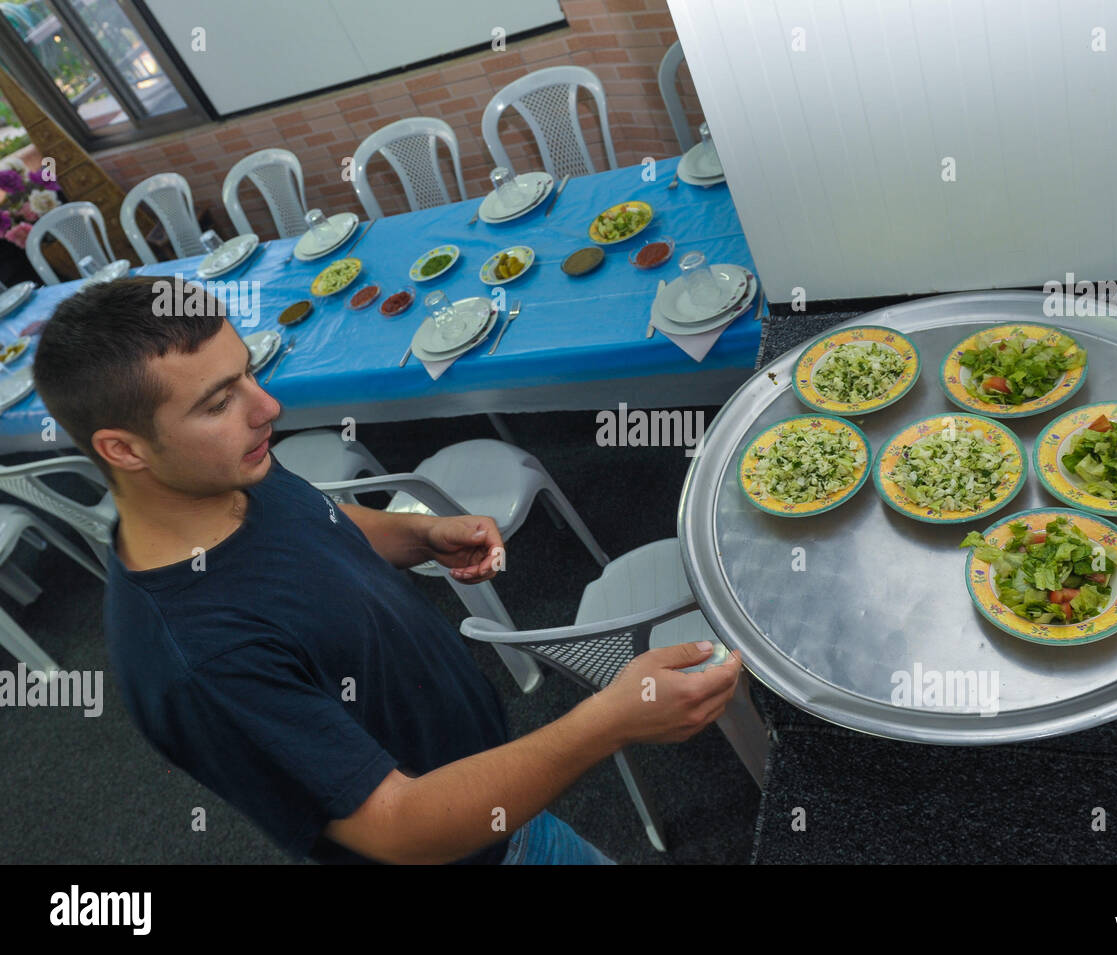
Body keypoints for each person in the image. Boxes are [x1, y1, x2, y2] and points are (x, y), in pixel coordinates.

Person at [33, 276, 743, 865]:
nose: (268, 408)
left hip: (499, 793)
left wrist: (421, 533)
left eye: (248, 372)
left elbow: (320, 522)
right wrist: (610, 721)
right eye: (219, 402)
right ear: (123, 449)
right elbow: (399, 823)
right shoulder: (197, 660)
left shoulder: (225, 473)